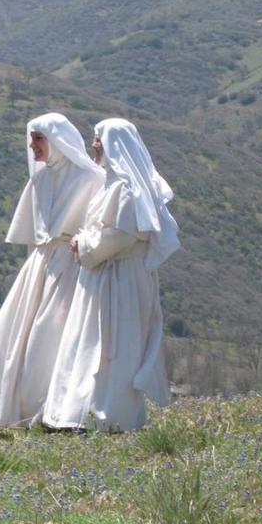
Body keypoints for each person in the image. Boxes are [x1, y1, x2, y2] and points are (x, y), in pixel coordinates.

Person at [0, 113, 105, 427]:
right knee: (21, 339)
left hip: (73, 268)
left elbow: (98, 230)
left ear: (57, 141)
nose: (32, 145)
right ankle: (18, 410)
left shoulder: (91, 178)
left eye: (39, 139)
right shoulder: (39, 180)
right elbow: (35, 234)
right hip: (40, 267)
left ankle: (54, 411)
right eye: (32, 138)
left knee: (51, 339)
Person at [42, 118, 179, 432]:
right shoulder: (114, 183)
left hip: (120, 279)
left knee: (112, 346)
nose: (93, 144)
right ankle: (78, 412)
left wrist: (82, 244)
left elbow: (121, 236)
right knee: (90, 342)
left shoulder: (129, 188)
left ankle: (108, 416)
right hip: (104, 275)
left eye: (97, 138)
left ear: (114, 145)